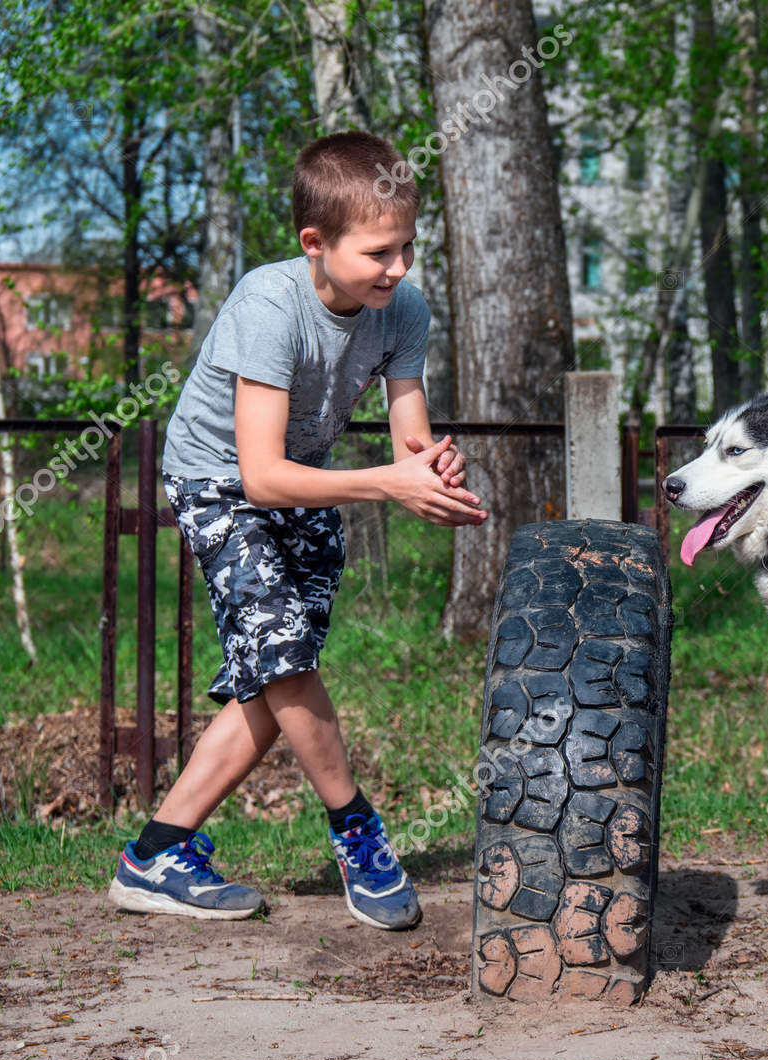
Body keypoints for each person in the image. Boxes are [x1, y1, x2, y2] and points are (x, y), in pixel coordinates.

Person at [108, 131, 486, 929]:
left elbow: (407, 428)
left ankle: (154, 855)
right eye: (381, 251)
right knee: (282, 655)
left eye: (410, 247)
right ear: (315, 244)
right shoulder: (268, 304)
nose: (402, 268)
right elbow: (259, 475)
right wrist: (385, 484)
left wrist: (428, 467)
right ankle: (359, 829)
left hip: (303, 479)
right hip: (220, 479)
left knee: (275, 671)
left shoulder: (402, 309)